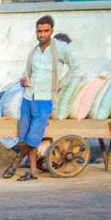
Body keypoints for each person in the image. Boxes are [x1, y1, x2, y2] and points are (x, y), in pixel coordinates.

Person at [9, 13, 74, 183]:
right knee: (24, 137)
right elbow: (28, 72)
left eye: (45, 31)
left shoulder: (60, 49)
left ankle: (16, 163)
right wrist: (24, 79)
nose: (42, 34)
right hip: (29, 97)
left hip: (44, 99)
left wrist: (60, 84)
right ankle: (32, 172)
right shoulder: (34, 52)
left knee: (33, 137)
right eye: (39, 31)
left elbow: (76, 68)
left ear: (51, 31)